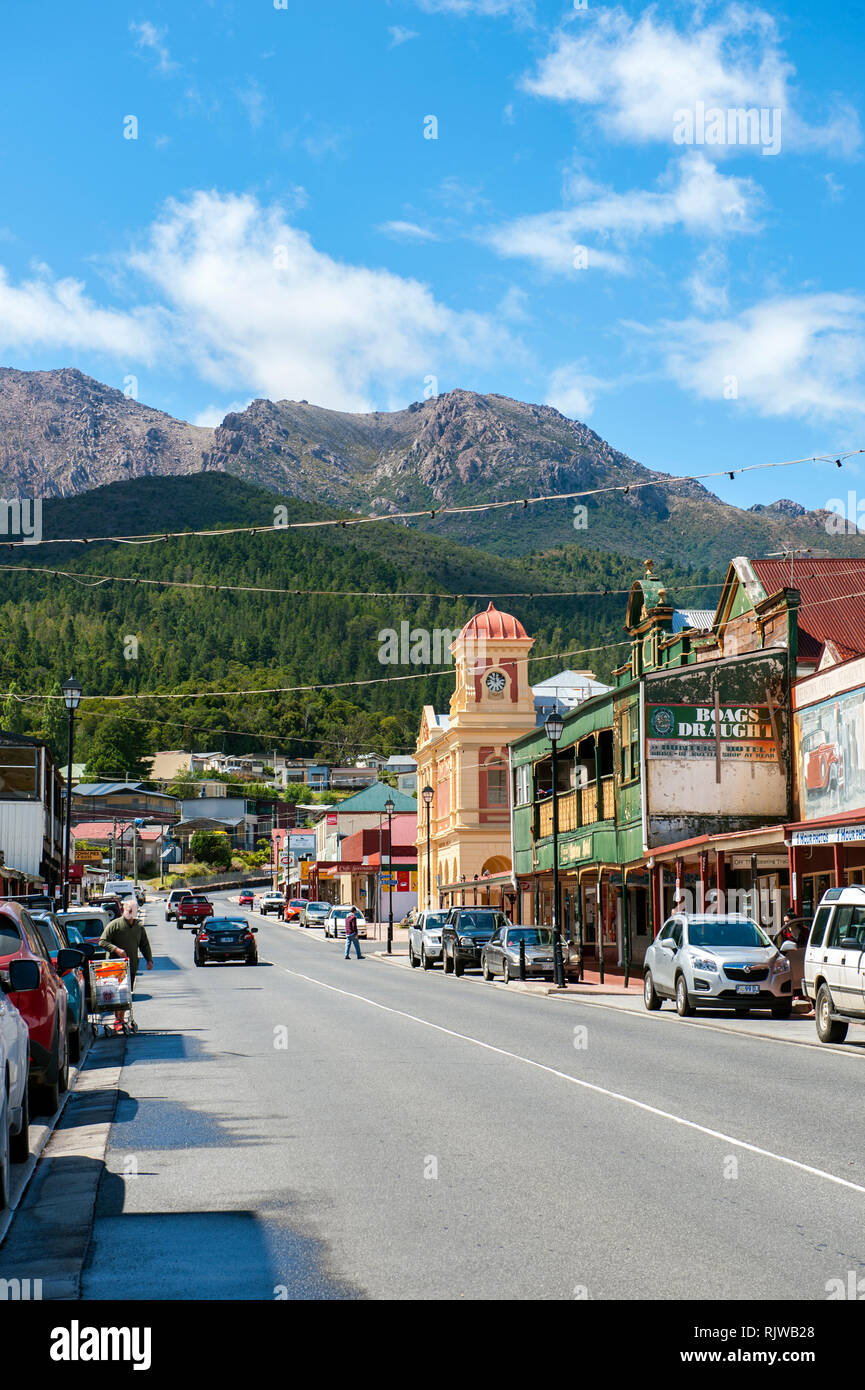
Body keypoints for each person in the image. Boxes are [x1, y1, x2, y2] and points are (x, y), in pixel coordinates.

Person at [99, 896, 154, 1032]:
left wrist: (149, 959)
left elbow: (144, 945)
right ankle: (118, 1019)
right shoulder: (115, 925)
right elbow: (102, 941)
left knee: (125, 994)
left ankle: (121, 1019)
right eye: (128, 909)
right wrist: (116, 950)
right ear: (124, 910)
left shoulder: (139, 927)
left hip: (131, 966)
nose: (129, 912)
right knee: (117, 994)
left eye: (132, 910)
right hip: (115, 967)